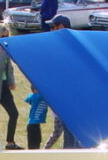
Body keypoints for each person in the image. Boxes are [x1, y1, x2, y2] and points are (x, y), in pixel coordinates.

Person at [44, 15, 78, 148]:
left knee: (72, 132)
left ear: (61, 27)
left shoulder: (67, 45)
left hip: (69, 97)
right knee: (71, 132)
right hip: (65, 95)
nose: (51, 30)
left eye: (53, 27)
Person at [25, 85, 48, 150]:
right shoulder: (40, 96)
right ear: (35, 90)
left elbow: (27, 99)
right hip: (33, 126)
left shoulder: (32, 96)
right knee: (33, 145)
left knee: (38, 142)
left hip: (34, 125)